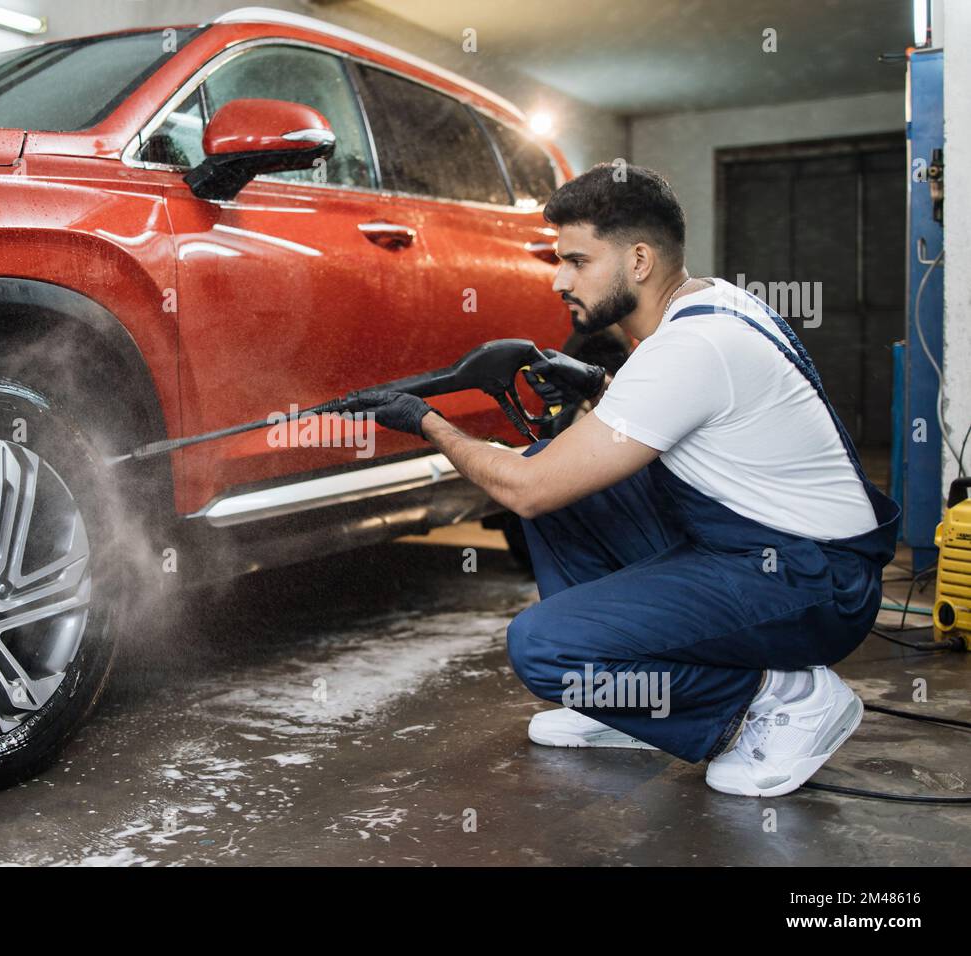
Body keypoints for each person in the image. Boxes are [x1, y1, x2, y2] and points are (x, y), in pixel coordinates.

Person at [350, 163, 899, 797]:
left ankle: (788, 696)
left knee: (545, 645)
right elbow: (672, 419)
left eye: (578, 261)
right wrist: (595, 385)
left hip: (814, 586)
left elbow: (525, 492)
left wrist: (427, 422)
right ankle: (638, 707)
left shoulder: (693, 347)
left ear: (638, 259)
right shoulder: (711, 302)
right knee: (558, 478)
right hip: (766, 553)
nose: (559, 280)